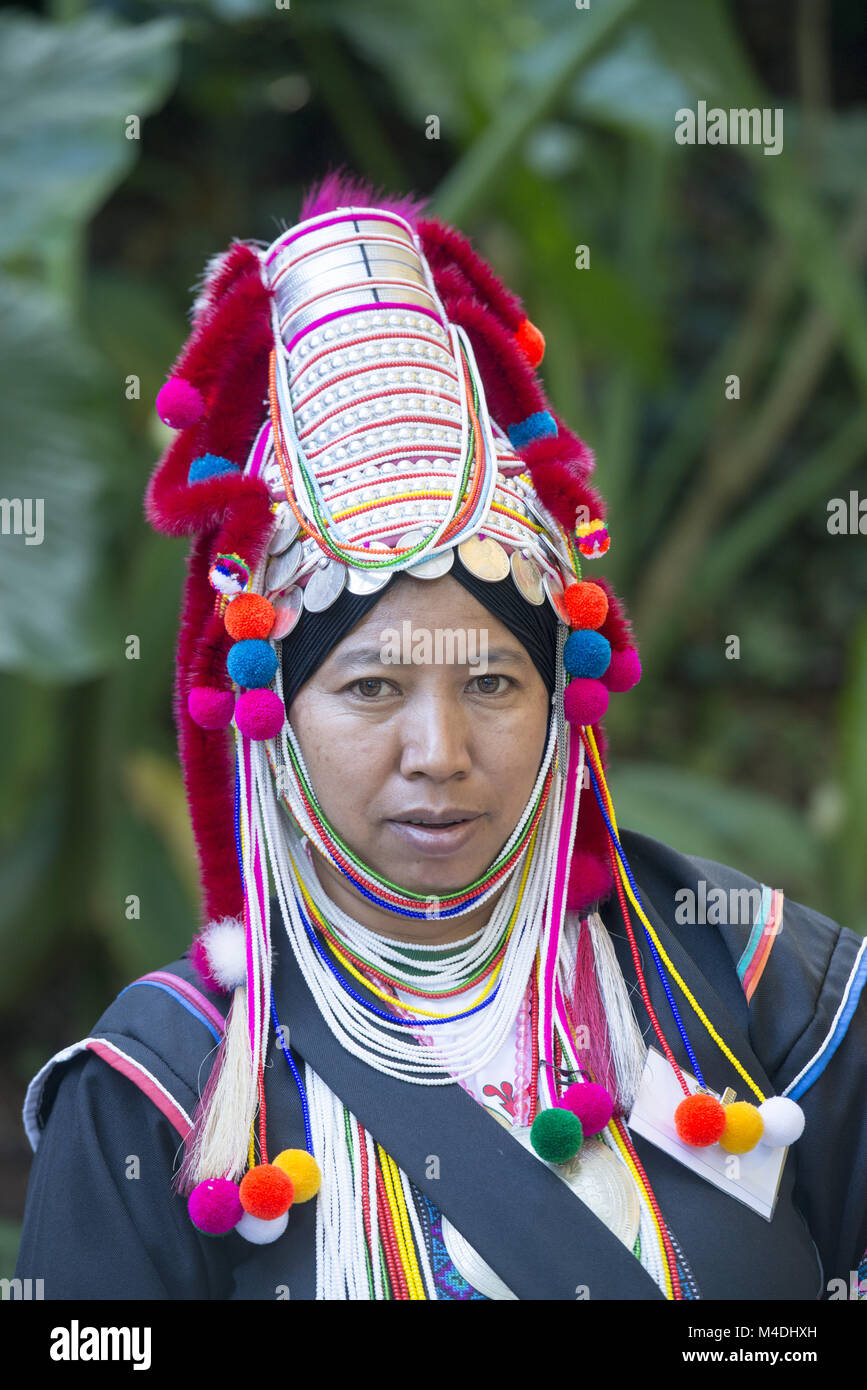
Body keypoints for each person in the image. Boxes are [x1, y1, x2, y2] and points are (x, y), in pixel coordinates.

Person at [15, 174, 867, 1301]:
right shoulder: (166, 1089)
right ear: (274, 717)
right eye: (370, 688)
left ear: (565, 693)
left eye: (493, 681)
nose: (439, 750)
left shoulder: (751, 983)